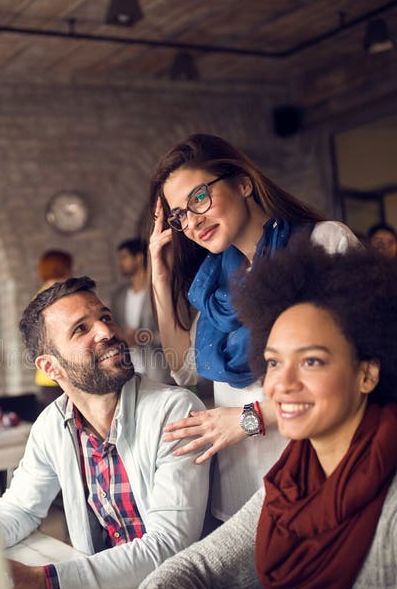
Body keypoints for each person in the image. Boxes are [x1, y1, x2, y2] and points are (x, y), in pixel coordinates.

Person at [53, 241, 397, 589]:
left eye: (312, 361)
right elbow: (204, 566)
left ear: (367, 373)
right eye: (273, 362)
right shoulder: (297, 478)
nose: (281, 384)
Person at [148, 133, 359, 524]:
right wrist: (159, 279)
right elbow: (184, 368)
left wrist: (248, 417)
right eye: (179, 215)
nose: (191, 222)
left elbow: (353, 374)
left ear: (243, 183)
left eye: (199, 198)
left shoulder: (324, 243)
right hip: (238, 497)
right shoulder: (216, 288)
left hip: (316, 485)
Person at [0, 276, 211, 589]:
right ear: (50, 366)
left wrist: (46, 584)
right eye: (81, 329)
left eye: (105, 318)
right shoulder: (52, 425)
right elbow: (20, 508)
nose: (107, 332)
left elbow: (169, 547)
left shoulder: (174, 410)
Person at [111, 238, 171, 383]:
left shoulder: (159, 292)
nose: (119, 263)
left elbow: (176, 331)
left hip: (158, 370)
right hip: (129, 372)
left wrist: (143, 336)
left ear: (139, 258)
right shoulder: (119, 295)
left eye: (124, 258)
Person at [34, 249, 74, 408]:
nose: (72, 271)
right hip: (63, 371)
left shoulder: (40, 295)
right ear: (61, 268)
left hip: (47, 373)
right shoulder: (60, 295)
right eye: (70, 267)